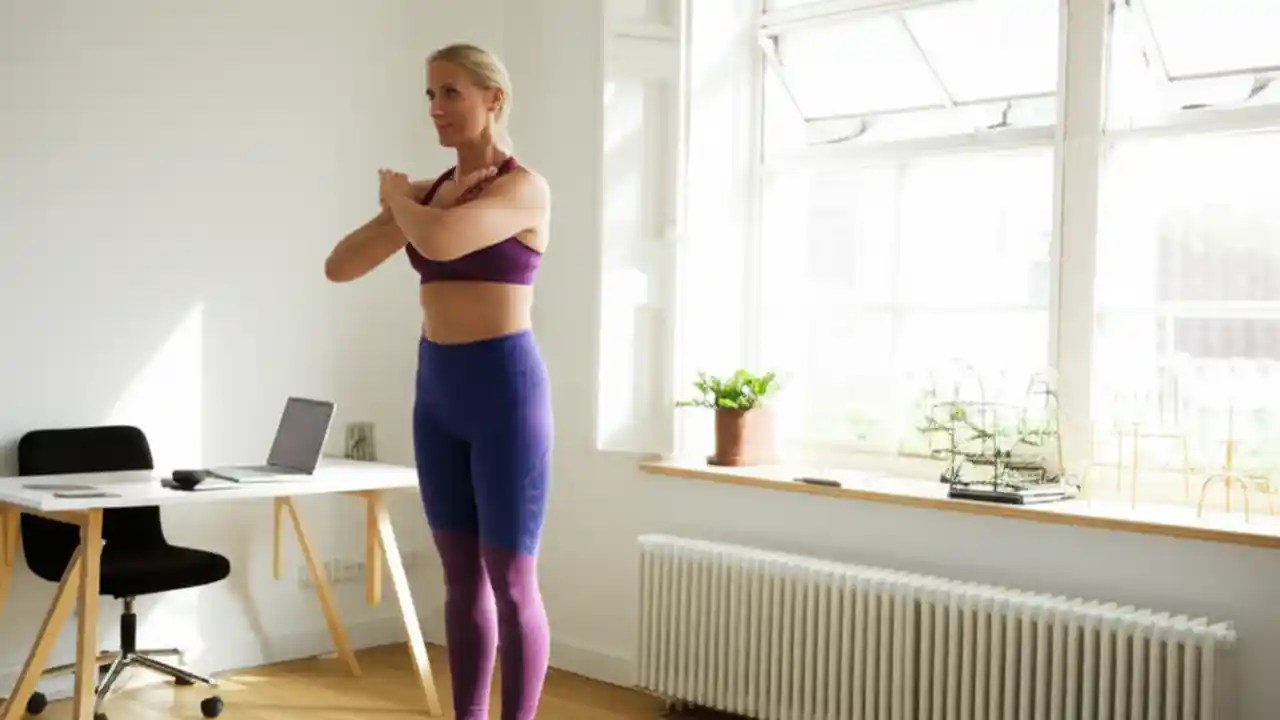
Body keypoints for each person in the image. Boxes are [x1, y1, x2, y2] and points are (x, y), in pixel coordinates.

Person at [323, 42, 552, 720]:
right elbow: (340, 265)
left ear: (494, 100)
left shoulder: (523, 187)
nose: (436, 108)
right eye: (429, 94)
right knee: (459, 580)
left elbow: (446, 243)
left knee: (511, 580)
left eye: (451, 92)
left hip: (505, 395)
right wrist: (403, 205)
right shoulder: (427, 197)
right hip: (439, 395)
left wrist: (399, 202)